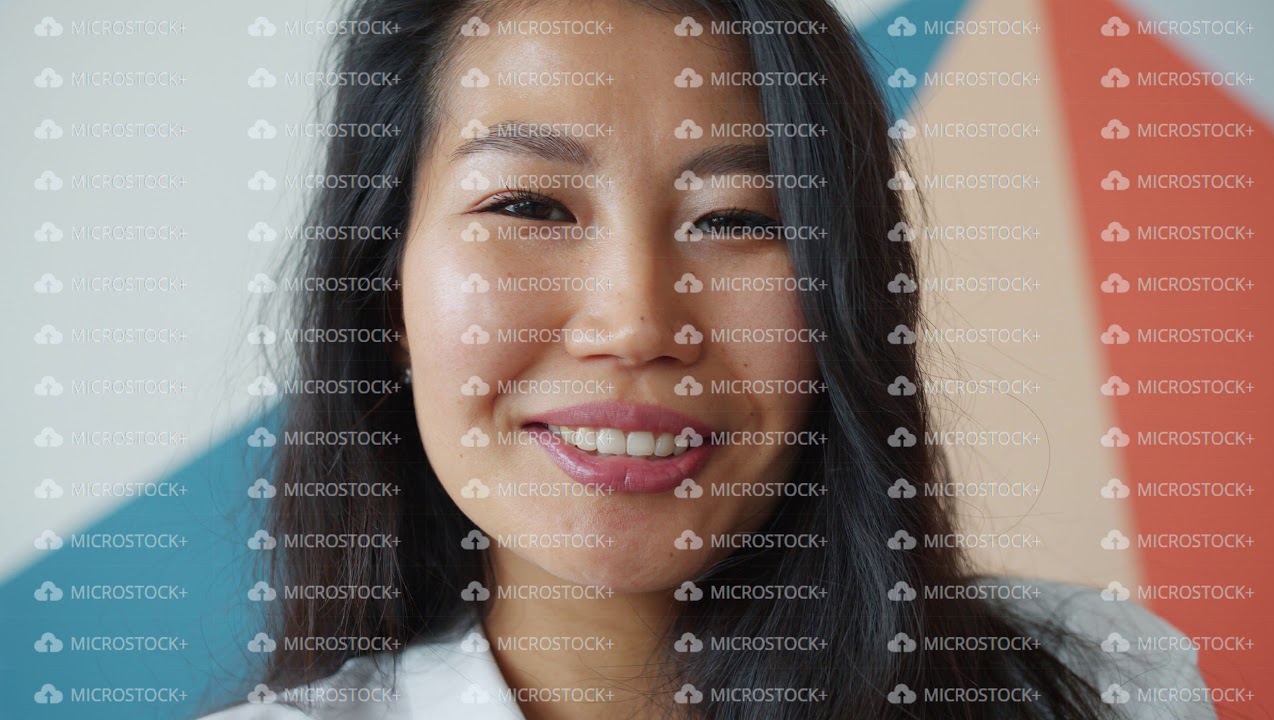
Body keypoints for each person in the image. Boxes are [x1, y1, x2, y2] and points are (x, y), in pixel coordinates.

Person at [202, 0, 1214, 718]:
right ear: (386, 290)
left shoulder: (1098, 689)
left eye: (735, 217)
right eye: (528, 207)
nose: (635, 321)